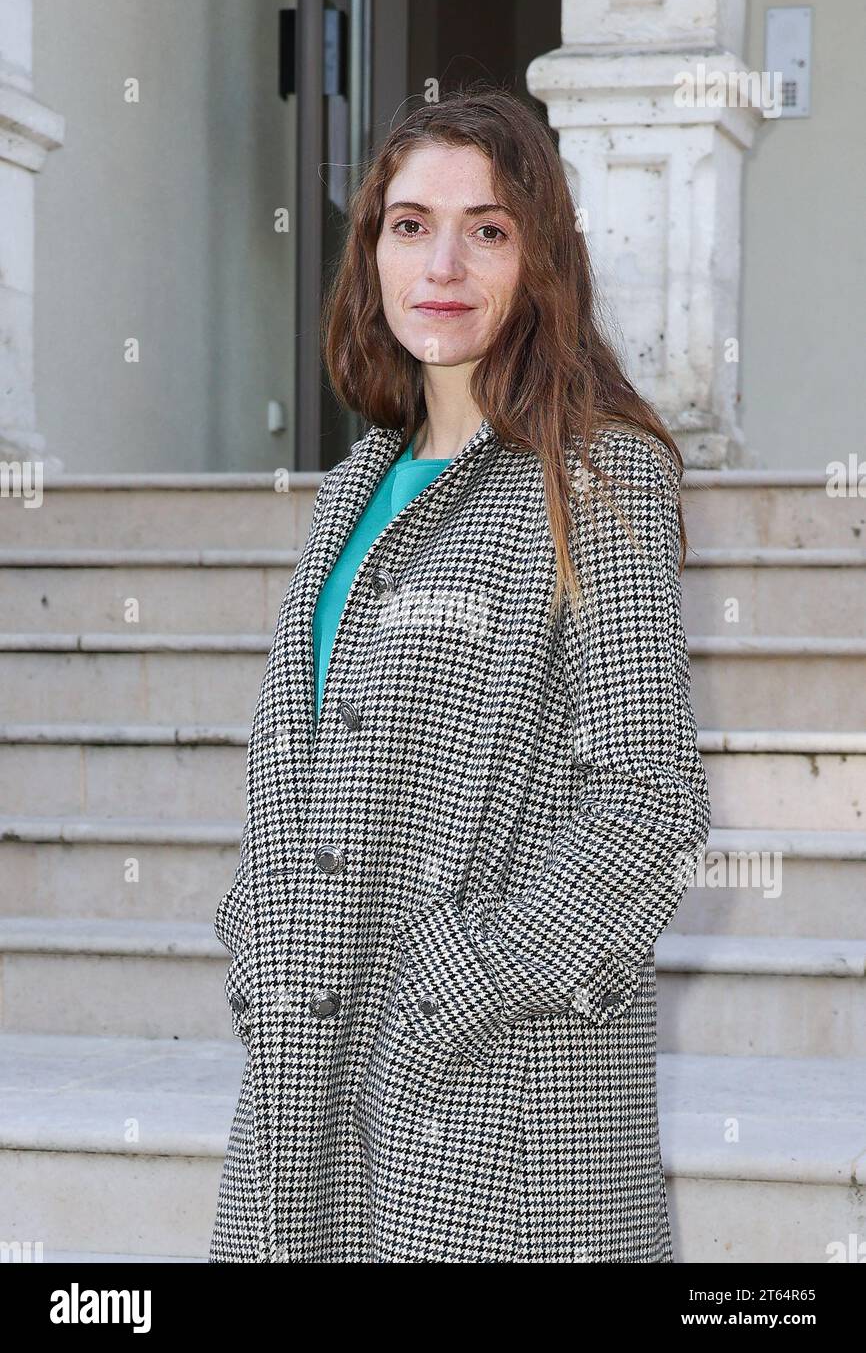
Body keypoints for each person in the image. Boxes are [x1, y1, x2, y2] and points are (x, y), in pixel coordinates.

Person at [208, 84, 712, 1264]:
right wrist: (257, 941)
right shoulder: (348, 494)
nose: (442, 262)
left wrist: (459, 985)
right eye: (408, 223)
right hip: (306, 1079)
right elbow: (296, 762)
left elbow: (647, 800)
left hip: (495, 1103)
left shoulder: (597, 474)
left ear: (539, 258)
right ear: (370, 251)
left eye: (487, 228)